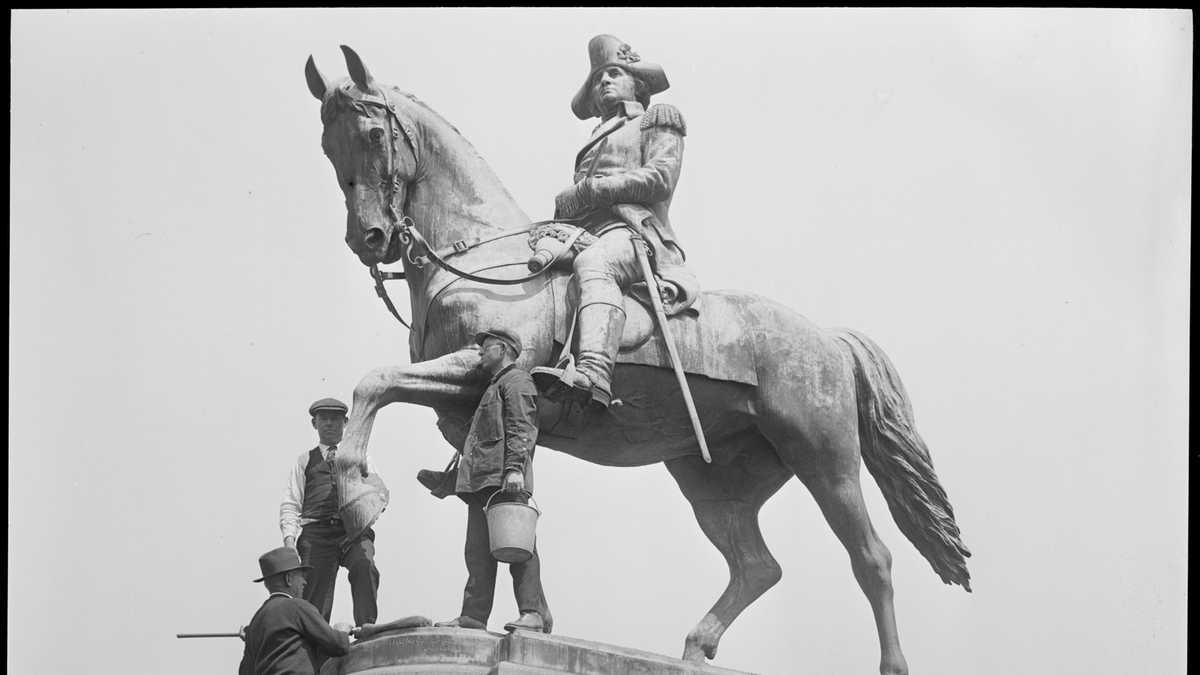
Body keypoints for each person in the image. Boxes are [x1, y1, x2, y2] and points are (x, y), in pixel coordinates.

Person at [531, 34, 690, 410]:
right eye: (599, 77)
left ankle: (595, 371)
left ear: (637, 82)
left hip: (634, 235)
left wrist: (593, 190)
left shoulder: (656, 119)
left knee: (595, 264)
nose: (603, 81)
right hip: (584, 232)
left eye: (614, 73)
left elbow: (660, 178)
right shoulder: (595, 136)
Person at [435, 329, 552, 633]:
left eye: (485, 349)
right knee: (477, 552)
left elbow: (521, 427)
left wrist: (514, 469)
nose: (480, 355)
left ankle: (533, 614)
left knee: (519, 546)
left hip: (503, 480)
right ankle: (473, 617)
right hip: (481, 483)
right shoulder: (496, 385)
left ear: (502, 350)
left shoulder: (517, 381)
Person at [280, 397, 383, 627]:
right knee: (315, 600)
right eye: (324, 419)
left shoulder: (361, 457)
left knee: (365, 566)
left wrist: (370, 511)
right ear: (314, 423)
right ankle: (316, 646)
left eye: (335, 419)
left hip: (352, 532)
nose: (329, 424)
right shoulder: (305, 460)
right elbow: (291, 503)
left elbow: (377, 493)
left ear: (346, 422)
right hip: (316, 534)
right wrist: (289, 542)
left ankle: (366, 629)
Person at [238, 546, 352, 675]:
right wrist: (342, 632)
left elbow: (245, 672)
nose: (304, 582)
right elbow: (338, 646)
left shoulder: (255, 622)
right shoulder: (297, 607)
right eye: (301, 576)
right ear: (288, 579)